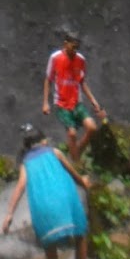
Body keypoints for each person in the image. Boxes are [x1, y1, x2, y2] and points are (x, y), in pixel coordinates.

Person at [1, 124, 90, 259]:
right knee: (80, 238)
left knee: (51, 257)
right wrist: (84, 182)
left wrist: (9, 213)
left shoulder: (25, 163)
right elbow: (75, 175)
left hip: (43, 208)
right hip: (66, 202)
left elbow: (21, 185)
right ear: (43, 142)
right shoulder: (55, 152)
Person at [43, 28, 106, 164]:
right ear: (65, 44)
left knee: (92, 128)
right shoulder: (55, 58)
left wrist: (94, 101)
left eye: (77, 47)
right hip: (61, 103)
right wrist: (45, 103)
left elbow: (82, 82)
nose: (75, 50)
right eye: (73, 47)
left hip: (77, 102)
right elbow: (48, 79)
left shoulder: (81, 60)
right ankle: (76, 163)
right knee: (72, 133)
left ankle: (75, 152)